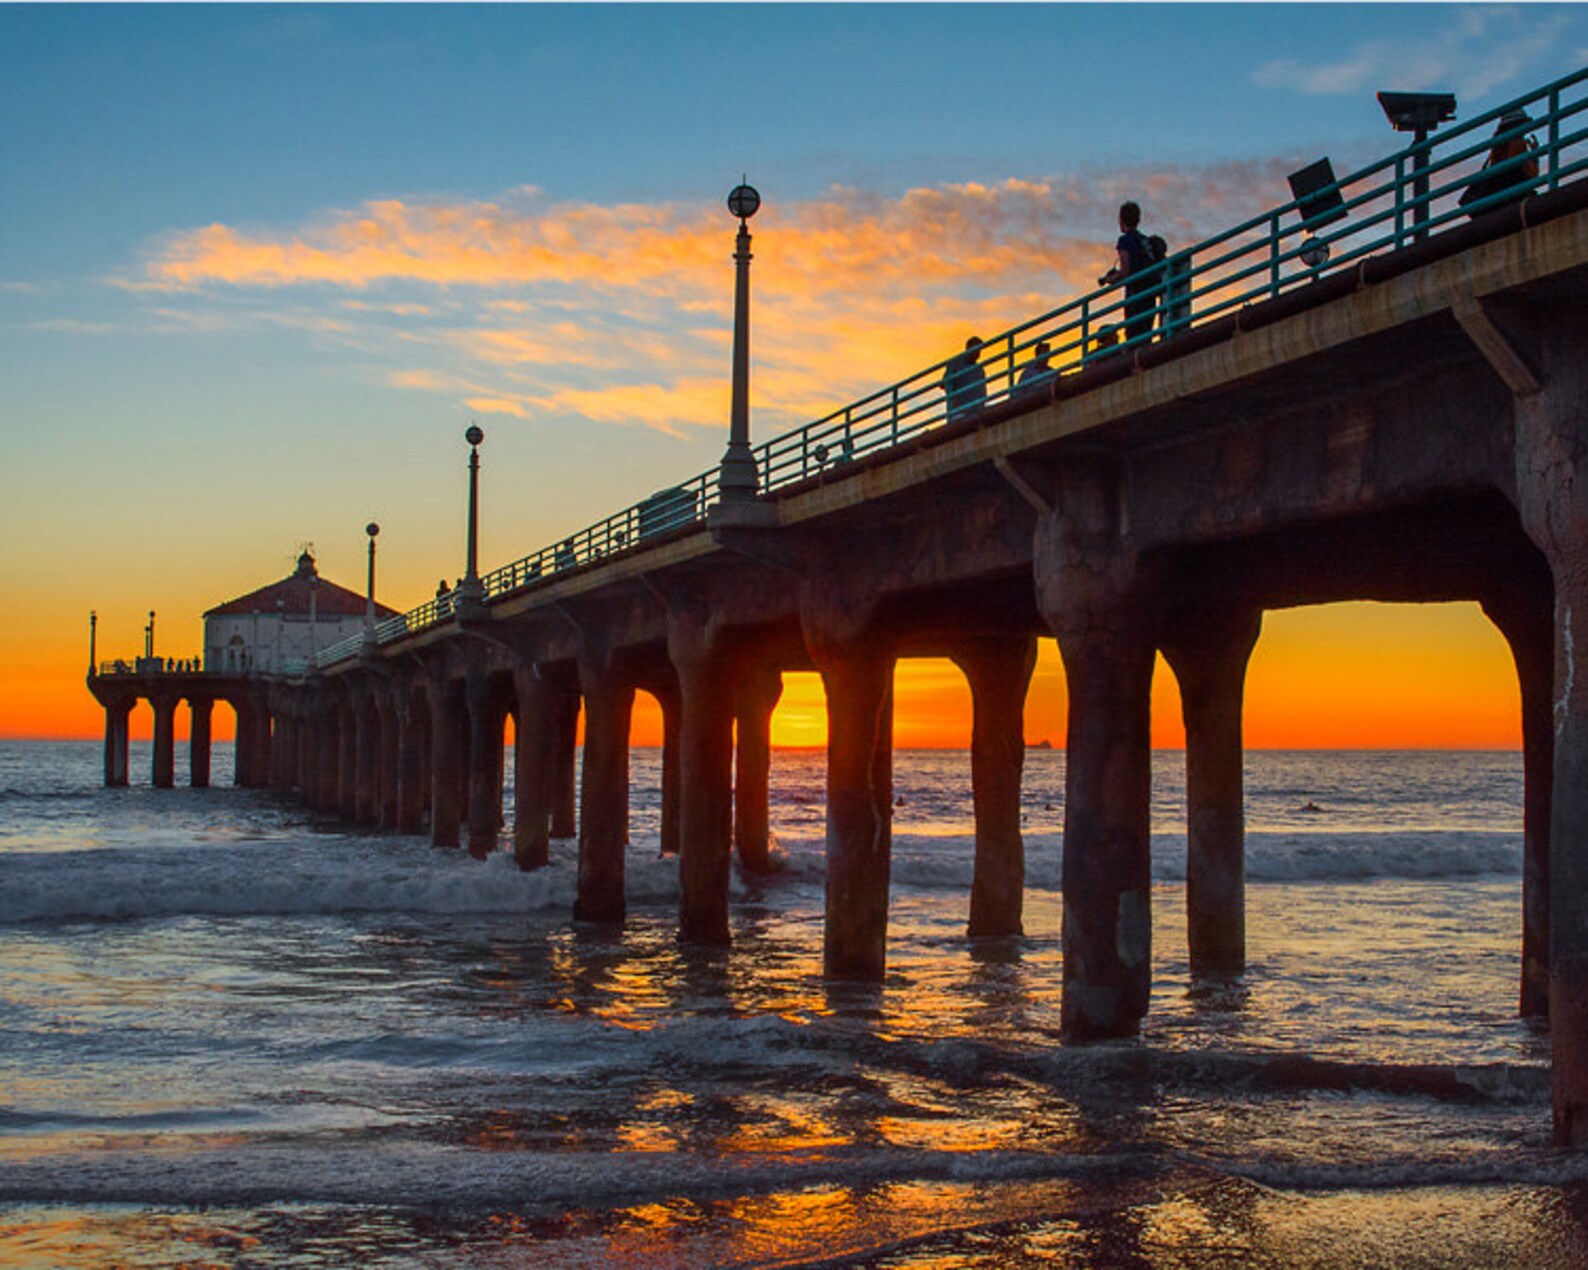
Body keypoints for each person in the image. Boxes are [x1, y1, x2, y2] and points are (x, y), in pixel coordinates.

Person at [1460, 109, 1539, 219]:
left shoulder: (1499, 144)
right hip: (1511, 198)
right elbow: (1531, 175)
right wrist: (1534, 157)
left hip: (1497, 200)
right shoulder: (1517, 142)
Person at [1101, 201, 1161, 345]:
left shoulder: (1125, 240)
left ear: (1121, 219)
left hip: (1135, 295)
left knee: (1134, 335)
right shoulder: (1145, 241)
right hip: (1150, 293)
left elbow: (1125, 271)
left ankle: (1136, 365)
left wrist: (1110, 280)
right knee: (1146, 334)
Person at [941, 336, 987, 424]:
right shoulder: (955, 363)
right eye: (976, 349)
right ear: (968, 348)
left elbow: (982, 390)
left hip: (976, 411)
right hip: (959, 412)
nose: (977, 353)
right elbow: (945, 384)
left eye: (979, 350)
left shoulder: (979, 369)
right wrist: (954, 400)